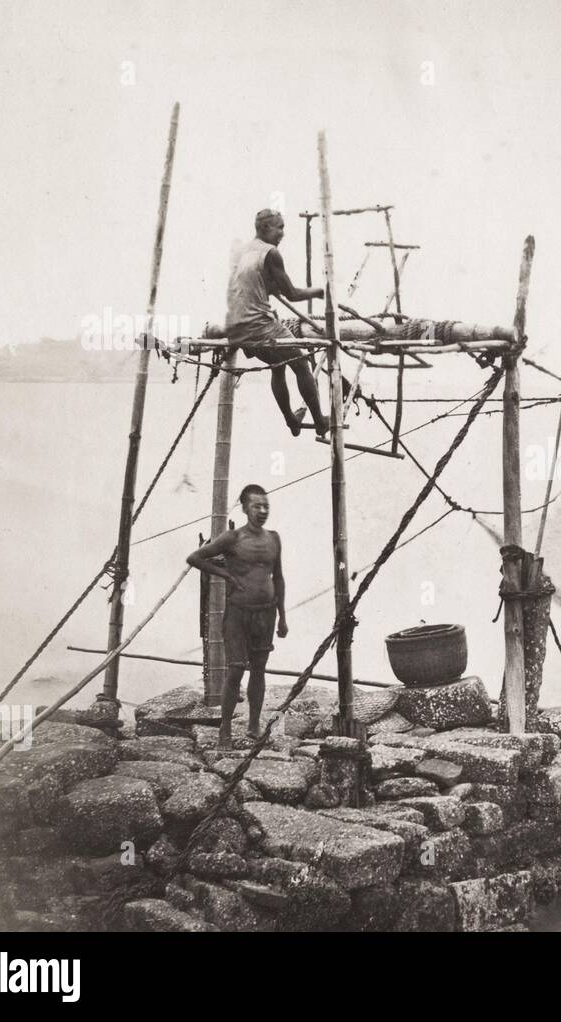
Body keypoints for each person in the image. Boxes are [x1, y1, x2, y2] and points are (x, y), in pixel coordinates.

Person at [226, 208, 346, 436]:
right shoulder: (271, 254)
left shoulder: (242, 252)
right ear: (264, 229)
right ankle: (320, 421)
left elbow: (248, 286)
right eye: (279, 228)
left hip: (237, 328)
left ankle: (291, 419)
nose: (282, 233)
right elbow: (291, 294)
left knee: (278, 367)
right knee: (301, 363)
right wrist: (319, 292)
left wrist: (268, 289)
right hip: (259, 326)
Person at [186, 484, 288, 748]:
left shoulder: (274, 538)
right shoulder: (233, 538)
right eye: (257, 506)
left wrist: (283, 616)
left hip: (266, 614)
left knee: (259, 669)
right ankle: (225, 729)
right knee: (235, 670)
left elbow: (278, 577)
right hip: (237, 613)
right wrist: (226, 574)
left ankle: (254, 726)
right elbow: (195, 557)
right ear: (244, 508)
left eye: (266, 506)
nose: (262, 511)